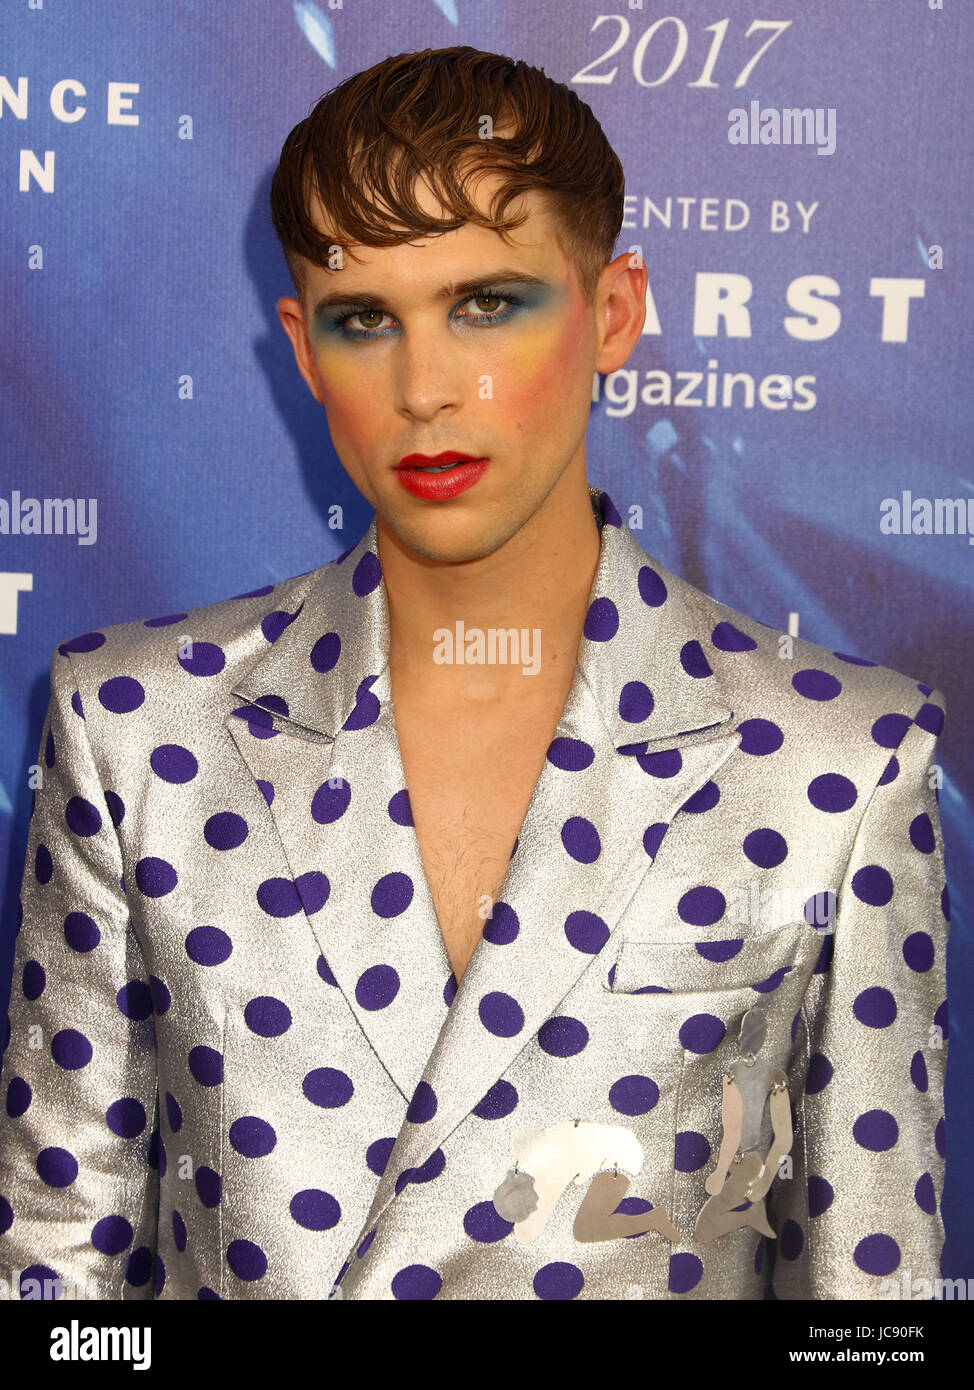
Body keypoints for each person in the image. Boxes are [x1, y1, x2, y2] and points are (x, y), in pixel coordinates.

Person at [0, 45, 949, 1301]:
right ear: (303, 344)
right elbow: (57, 1280)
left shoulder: (839, 766)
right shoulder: (133, 726)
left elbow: (867, 1309)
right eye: (363, 319)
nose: (425, 388)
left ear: (612, 312)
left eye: (487, 304)